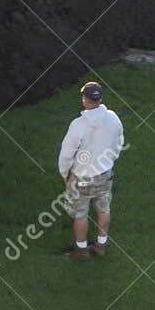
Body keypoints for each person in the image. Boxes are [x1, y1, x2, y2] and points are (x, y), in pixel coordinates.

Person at [57, 81, 124, 260]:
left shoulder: (78, 124)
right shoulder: (113, 118)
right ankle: (101, 246)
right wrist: (110, 160)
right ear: (100, 98)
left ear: (85, 100)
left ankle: (82, 250)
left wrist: (65, 174)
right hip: (105, 173)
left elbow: (66, 154)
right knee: (104, 209)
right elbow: (119, 142)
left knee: (80, 214)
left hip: (81, 177)